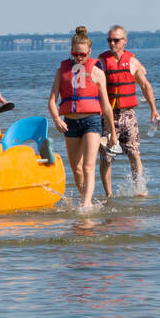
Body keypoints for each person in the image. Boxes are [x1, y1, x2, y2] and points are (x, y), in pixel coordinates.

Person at [48, 26, 117, 210]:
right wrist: (57, 119)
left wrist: (112, 133)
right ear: (71, 51)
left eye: (83, 55)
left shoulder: (97, 72)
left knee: (88, 167)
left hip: (91, 122)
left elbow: (106, 106)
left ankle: (85, 206)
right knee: (76, 169)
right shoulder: (61, 72)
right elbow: (52, 100)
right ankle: (85, 200)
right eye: (75, 54)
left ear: (89, 52)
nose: (79, 58)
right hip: (70, 123)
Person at [97, 25, 160, 198]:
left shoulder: (133, 62)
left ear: (125, 41)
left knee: (134, 153)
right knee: (106, 157)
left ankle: (138, 189)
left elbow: (145, 86)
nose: (112, 43)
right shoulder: (101, 62)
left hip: (128, 114)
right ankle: (109, 195)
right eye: (109, 40)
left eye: (116, 40)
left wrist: (154, 110)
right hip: (107, 116)